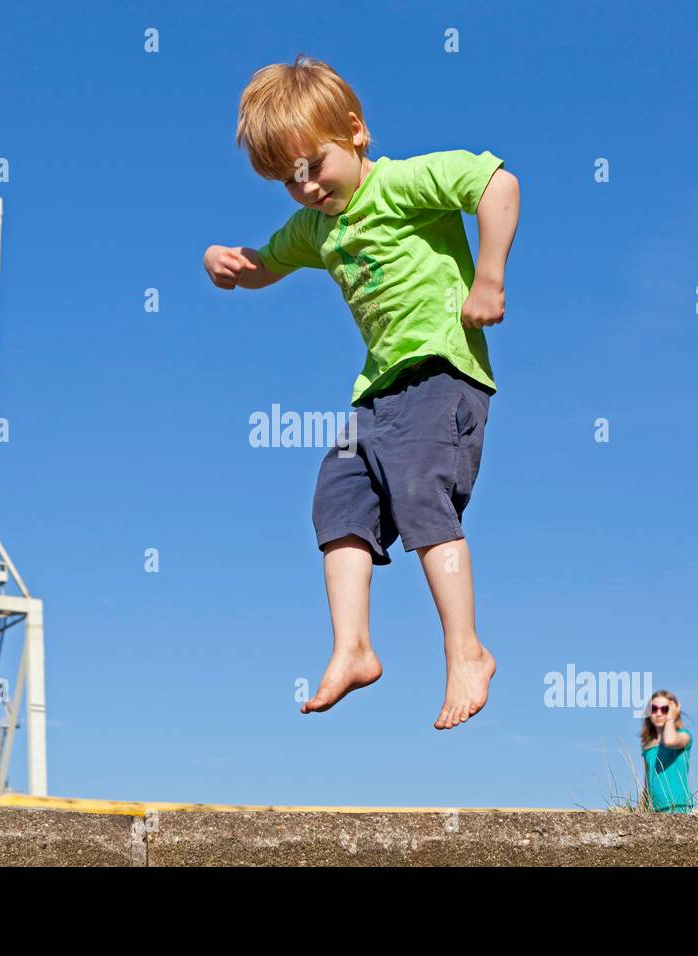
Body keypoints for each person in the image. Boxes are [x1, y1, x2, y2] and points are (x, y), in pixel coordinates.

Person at [202, 54, 520, 729]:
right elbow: (266, 265)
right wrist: (226, 264)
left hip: (442, 374)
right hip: (375, 394)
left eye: (314, 164)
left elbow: (498, 184)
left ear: (355, 131)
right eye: (289, 181)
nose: (308, 186)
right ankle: (353, 647)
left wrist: (487, 276)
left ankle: (466, 650)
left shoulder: (404, 183)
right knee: (336, 499)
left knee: (418, 493)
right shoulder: (316, 231)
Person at [640, 690, 695, 813]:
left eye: (664, 709)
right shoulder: (647, 746)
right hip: (654, 809)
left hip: (678, 806)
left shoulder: (684, 736)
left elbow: (669, 741)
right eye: (654, 708)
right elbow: (647, 783)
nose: (658, 713)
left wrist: (670, 719)